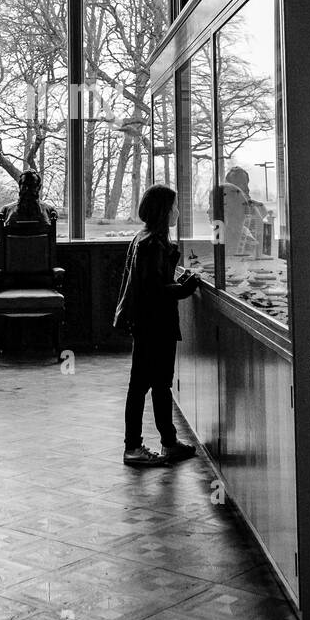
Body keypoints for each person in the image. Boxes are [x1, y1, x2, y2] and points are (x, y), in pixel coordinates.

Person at [114, 183, 201, 467]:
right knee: (142, 385)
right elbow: (157, 290)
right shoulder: (153, 243)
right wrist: (186, 287)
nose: (177, 211)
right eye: (174, 206)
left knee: (159, 384)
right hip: (154, 323)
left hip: (148, 322)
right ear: (165, 210)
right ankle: (133, 447)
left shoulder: (146, 238)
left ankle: (168, 441)